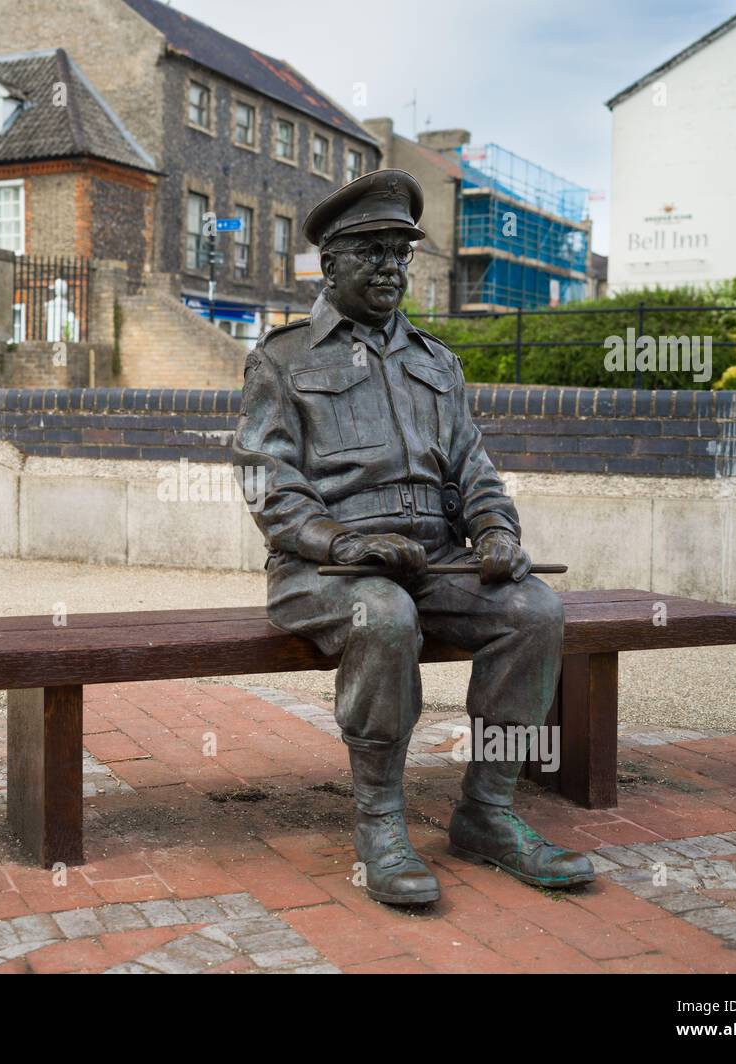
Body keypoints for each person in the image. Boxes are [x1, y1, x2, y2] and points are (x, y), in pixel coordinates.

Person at [232, 169, 595, 905]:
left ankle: (487, 812)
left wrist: (495, 532)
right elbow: (262, 476)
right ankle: (379, 820)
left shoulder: (438, 362)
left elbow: (473, 468)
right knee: (384, 614)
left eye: (400, 253)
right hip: (323, 571)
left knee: (535, 612)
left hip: (434, 560)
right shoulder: (283, 358)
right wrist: (338, 541)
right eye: (372, 251)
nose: (391, 267)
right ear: (329, 264)